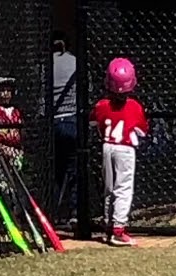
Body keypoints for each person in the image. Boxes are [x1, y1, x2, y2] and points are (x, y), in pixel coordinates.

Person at [89, 57, 148, 247]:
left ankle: (109, 225)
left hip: (107, 145)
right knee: (123, 188)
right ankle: (118, 229)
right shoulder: (134, 106)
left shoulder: (101, 105)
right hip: (125, 148)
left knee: (109, 188)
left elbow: (93, 123)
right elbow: (142, 131)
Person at [52, 31, 79, 226]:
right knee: (75, 169)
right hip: (72, 118)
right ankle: (74, 213)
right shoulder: (76, 63)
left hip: (52, 122)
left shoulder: (45, 66)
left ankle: (51, 212)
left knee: (55, 170)